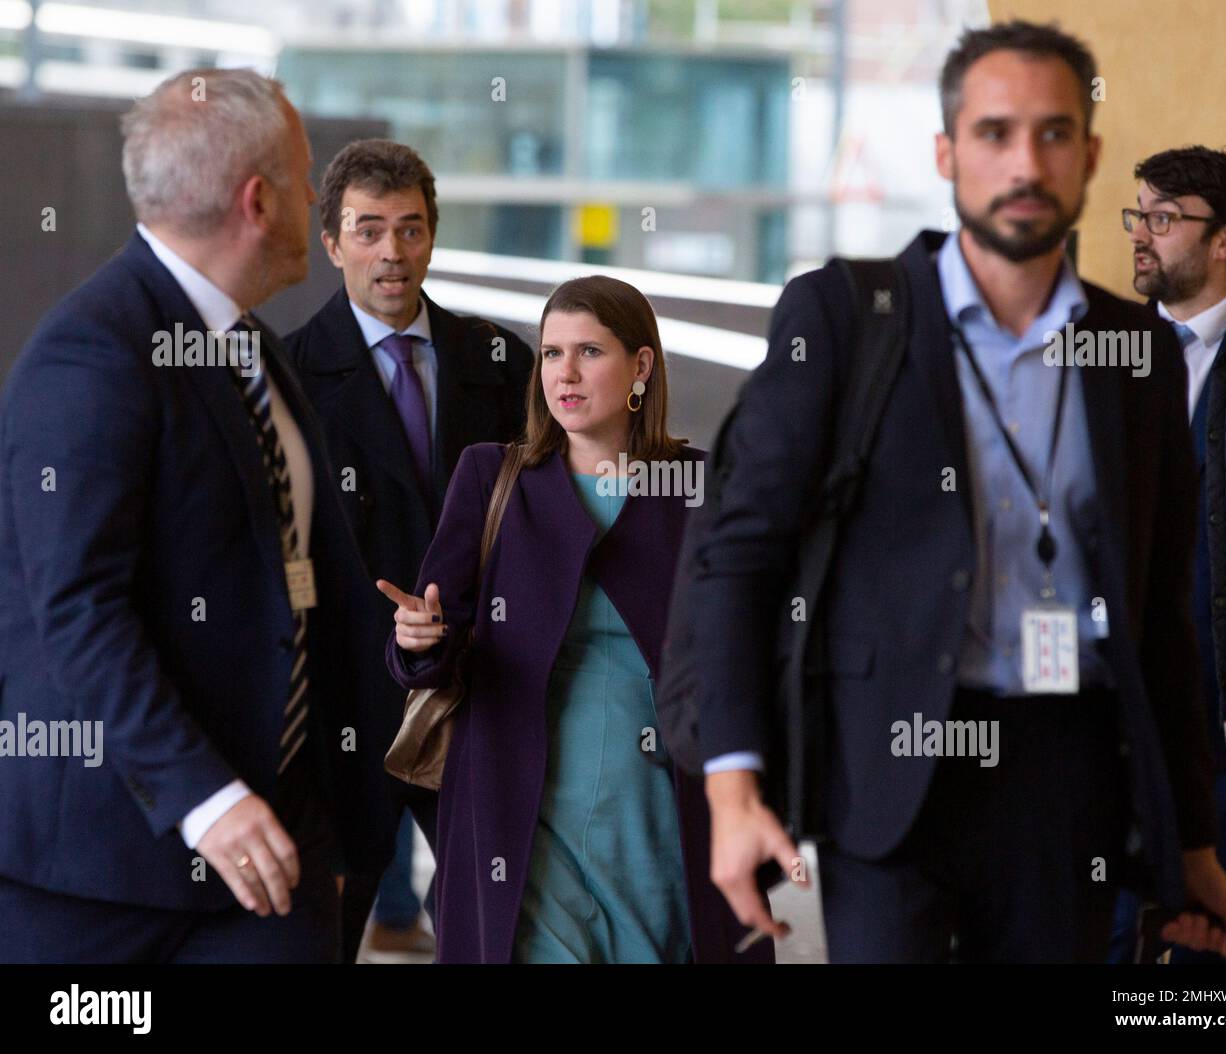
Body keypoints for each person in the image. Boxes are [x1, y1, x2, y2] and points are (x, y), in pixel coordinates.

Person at [691, 21, 1226, 963]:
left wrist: (1192, 837)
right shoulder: (844, 316)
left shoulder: (1139, 356)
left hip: (1068, 785)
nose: (1024, 161)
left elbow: (1160, 615)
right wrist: (732, 787)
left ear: (1089, 155)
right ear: (948, 152)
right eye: (994, 133)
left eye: (1053, 133)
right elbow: (737, 552)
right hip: (887, 766)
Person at [0, 68, 387, 963]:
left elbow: (296, 573)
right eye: (304, 176)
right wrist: (206, 799)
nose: (315, 194)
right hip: (104, 881)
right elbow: (80, 610)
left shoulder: (249, 345)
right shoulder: (91, 353)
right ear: (258, 200)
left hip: (278, 856)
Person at [380, 276, 767, 963]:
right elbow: (433, 642)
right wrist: (417, 640)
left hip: (659, 811)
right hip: (524, 808)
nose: (564, 372)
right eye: (552, 353)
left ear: (640, 366)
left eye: (589, 351)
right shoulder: (492, 477)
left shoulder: (699, 488)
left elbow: (747, 646)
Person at [285, 138, 532, 961]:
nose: (392, 252)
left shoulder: (499, 363)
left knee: (499, 919)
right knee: (321, 926)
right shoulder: (282, 375)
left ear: (433, 234)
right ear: (331, 243)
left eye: (411, 228)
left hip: (478, 688)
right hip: (340, 701)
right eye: (368, 230)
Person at [1110, 146, 1226, 962]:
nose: (1141, 233)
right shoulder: (1093, 355)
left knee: (1207, 954)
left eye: (1163, 216)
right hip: (1105, 708)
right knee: (1100, 935)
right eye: (1138, 213)